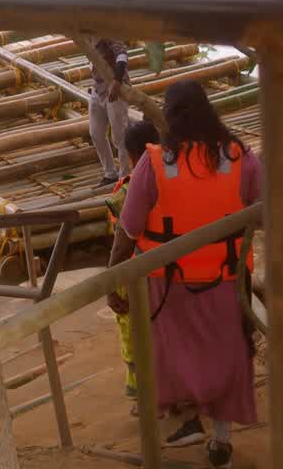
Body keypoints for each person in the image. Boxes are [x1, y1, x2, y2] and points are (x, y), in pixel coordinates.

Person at [106, 80, 260, 469]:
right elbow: (265, 209)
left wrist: (113, 279)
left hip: (167, 283)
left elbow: (128, 230)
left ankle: (188, 421)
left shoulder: (154, 162)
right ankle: (221, 438)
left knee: (176, 357)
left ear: (169, 117)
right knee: (226, 354)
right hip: (225, 278)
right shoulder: (240, 156)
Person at [105, 120, 160, 402]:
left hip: (135, 273)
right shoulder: (173, 176)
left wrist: (110, 283)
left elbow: (120, 242)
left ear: (129, 155)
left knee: (133, 333)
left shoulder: (127, 190)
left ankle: (143, 396)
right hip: (173, 270)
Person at [89, 38, 131, 186]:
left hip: (114, 88)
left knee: (119, 136)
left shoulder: (106, 29)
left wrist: (117, 81)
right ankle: (110, 173)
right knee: (96, 133)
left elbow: (122, 55)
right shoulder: (85, 33)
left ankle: (125, 176)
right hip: (98, 88)